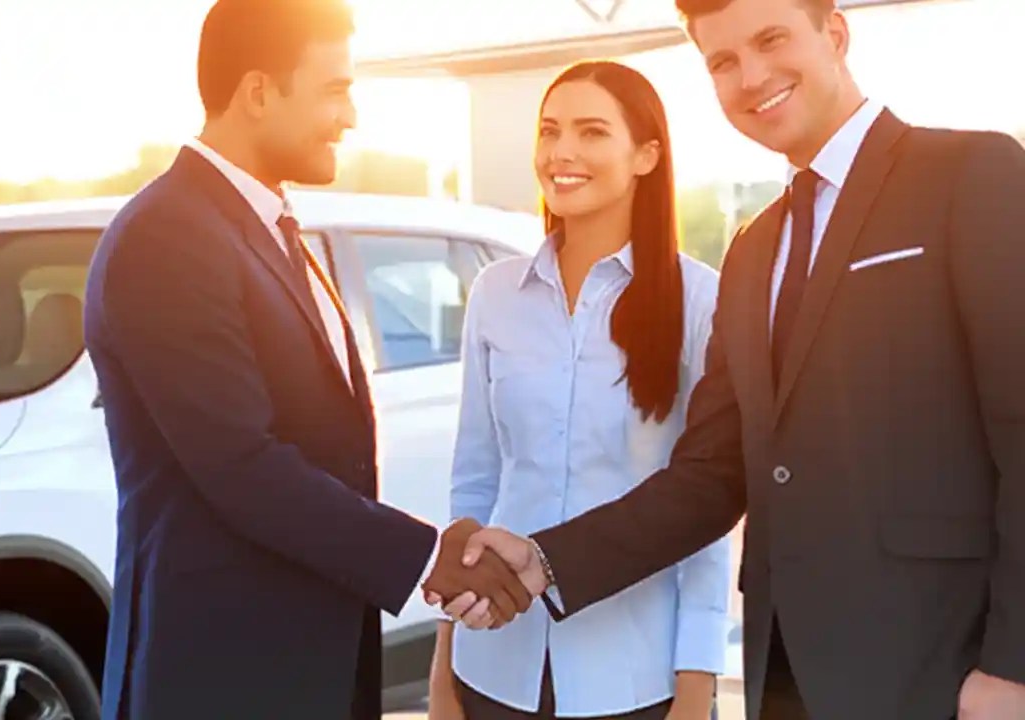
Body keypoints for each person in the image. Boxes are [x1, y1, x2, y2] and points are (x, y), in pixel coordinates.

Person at [427, 0, 1025, 718]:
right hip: (788, 672)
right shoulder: (755, 247)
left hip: (943, 668)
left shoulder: (970, 174)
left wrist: (1012, 667)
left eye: (771, 40)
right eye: (723, 62)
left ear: (834, 33)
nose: (751, 77)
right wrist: (547, 558)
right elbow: (714, 473)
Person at [82, 0, 530, 717]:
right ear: (258, 92)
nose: (350, 117)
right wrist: (423, 558)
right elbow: (240, 463)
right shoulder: (167, 236)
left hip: (301, 667)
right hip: (219, 678)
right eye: (335, 90)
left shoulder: (263, 227)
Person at [424, 61, 731, 720]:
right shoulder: (495, 294)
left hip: (634, 678)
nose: (562, 152)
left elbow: (704, 508)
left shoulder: (700, 300)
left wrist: (698, 684)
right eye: (550, 131)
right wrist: (443, 662)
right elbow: (474, 484)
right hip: (494, 668)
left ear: (646, 154)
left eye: (592, 132)